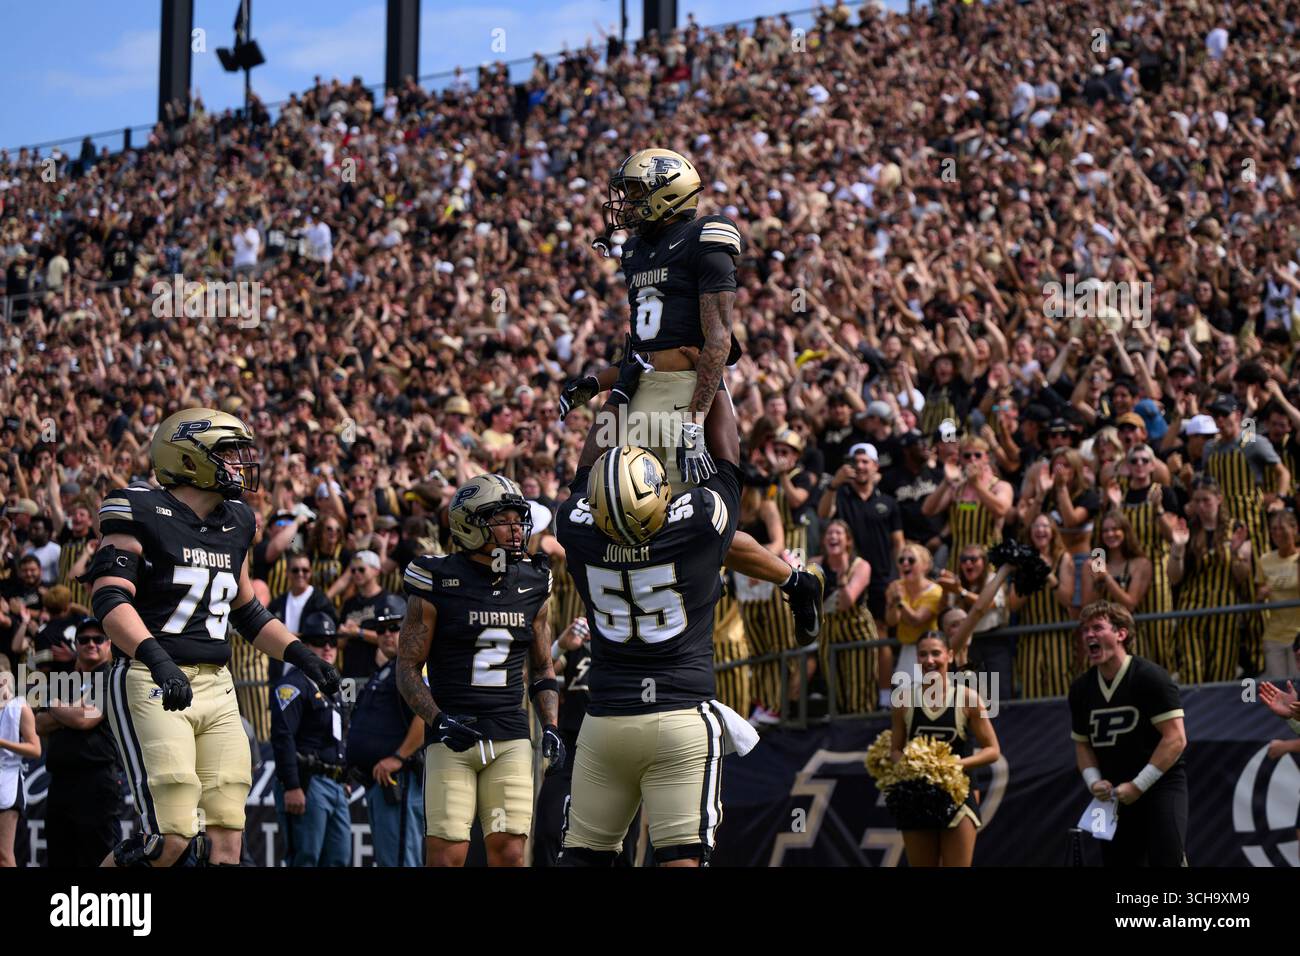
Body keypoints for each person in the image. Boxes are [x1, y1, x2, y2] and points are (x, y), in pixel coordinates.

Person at [85, 407, 340, 868]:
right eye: (227, 452)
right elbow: (109, 602)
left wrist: (304, 657)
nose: (240, 463)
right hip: (152, 680)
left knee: (225, 843)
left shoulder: (238, 520)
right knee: (170, 840)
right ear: (187, 458)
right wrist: (158, 659)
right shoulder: (139, 509)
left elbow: (247, 611)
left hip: (218, 687)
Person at [396, 473, 559, 868]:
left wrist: (550, 724)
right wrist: (438, 720)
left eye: (518, 519)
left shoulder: (534, 581)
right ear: (469, 523)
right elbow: (407, 666)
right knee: (447, 858)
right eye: (503, 519)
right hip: (453, 739)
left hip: (509, 738)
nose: (516, 529)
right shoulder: (436, 578)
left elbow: (542, 668)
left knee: (510, 854)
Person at [560, 147, 744, 489]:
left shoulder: (704, 235)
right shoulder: (635, 251)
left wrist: (694, 420)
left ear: (667, 191)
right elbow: (645, 350)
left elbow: (719, 338)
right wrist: (596, 382)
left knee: (699, 518)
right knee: (604, 502)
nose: (626, 204)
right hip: (639, 392)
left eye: (635, 193)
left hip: (687, 392)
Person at [1069, 601, 1188, 867]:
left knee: (1167, 860)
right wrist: (1093, 781)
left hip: (1160, 787)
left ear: (1121, 633)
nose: (1089, 635)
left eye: (1098, 627)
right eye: (1085, 630)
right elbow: (1082, 745)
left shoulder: (1150, 677)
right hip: (1114, 795)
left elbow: (1176, 738)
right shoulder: (1081, 689)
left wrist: (1138, 785)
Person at [890, 630, 1000, 867]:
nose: (929, 660)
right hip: (917, 798)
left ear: (949, 656)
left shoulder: (968, 698)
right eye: (923, 654)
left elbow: (992, 750)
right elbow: (895, 750)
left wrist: (954, 764)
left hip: (958, 799)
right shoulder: (903, 700)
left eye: (936, 653)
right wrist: (912, 766)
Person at [34, 616, 123, 867]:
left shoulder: (111, 677)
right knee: (61, 856)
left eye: (98, 639)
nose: (91, 644)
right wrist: (72, 711)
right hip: (61, 783)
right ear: (76, 645)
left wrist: (53, 705)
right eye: (84, 639)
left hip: (97, 781)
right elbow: (39, 724)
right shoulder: (64, 680)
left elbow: (87, 719)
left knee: (99, 857)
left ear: (108, 644)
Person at [345, 594, 426, 868]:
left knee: (401, 859)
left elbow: (427, 717)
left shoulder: (414, 666)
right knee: (388, 859)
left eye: (394, 626)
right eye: (381, 629)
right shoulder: (390, 668)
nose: (387, 634)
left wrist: (399, 758)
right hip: (380, 782)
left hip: (399, 780)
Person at [270, 612, 351, 867]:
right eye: (318, 641)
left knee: (339, 858)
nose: (327, 647)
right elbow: (283, 737)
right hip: (309, 782)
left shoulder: (339, 687)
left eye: (332, 641)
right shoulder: (292, 685)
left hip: (336, 783)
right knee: (306, 859)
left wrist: (345, 777)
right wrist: (292, 785)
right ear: (305, 646)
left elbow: (343, 734)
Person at [1168, 476, 1254, 683]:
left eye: (1206, 500)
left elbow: (1243, 576)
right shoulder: (1188, 528)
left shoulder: (1236, 528)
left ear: (1219, 499)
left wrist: (1235, 554)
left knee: (1222, 673)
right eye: (1196, 501)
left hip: (1225, 610)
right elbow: (1173, 577)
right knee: (1191, 672)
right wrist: (1178, 548)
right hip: (1192, 609)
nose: (1201, 506)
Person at [814, 519, 877, 715]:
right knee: (835, 686)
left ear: (848, 541)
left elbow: (846, 602)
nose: (833, 537)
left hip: (856, 629)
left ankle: (860, 728)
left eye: (838, 533)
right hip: (829, 631)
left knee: (859, 685)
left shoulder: (861, 565)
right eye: (829, 533)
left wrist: (842, 577)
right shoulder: (815, 564)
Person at [884, 542, 944, 698]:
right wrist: (892, 604)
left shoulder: (935, 591)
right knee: (904, 702)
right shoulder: (896, 587)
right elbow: (891, 621)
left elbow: (916, 619)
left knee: (929, 700)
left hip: (929, 653)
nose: (905, 563)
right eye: (901, 560)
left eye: (911, 560)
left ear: (925, 565)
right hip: (907, 650)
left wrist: (900, 602)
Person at [0, 655, 39, 867]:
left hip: (8, 779)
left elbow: (35, 749)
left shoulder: (18, 707)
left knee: (4, 855)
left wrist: (2, 742)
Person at [1255, 510, 1300, 679]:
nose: (1277, 533)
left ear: (1295, 529)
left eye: (1282, 528)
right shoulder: (1265, 560)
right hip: (1274, 635)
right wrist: (1260, 595)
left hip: (1298, 634)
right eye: (1273, 529)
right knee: (1279, 690)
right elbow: (1258, 598)